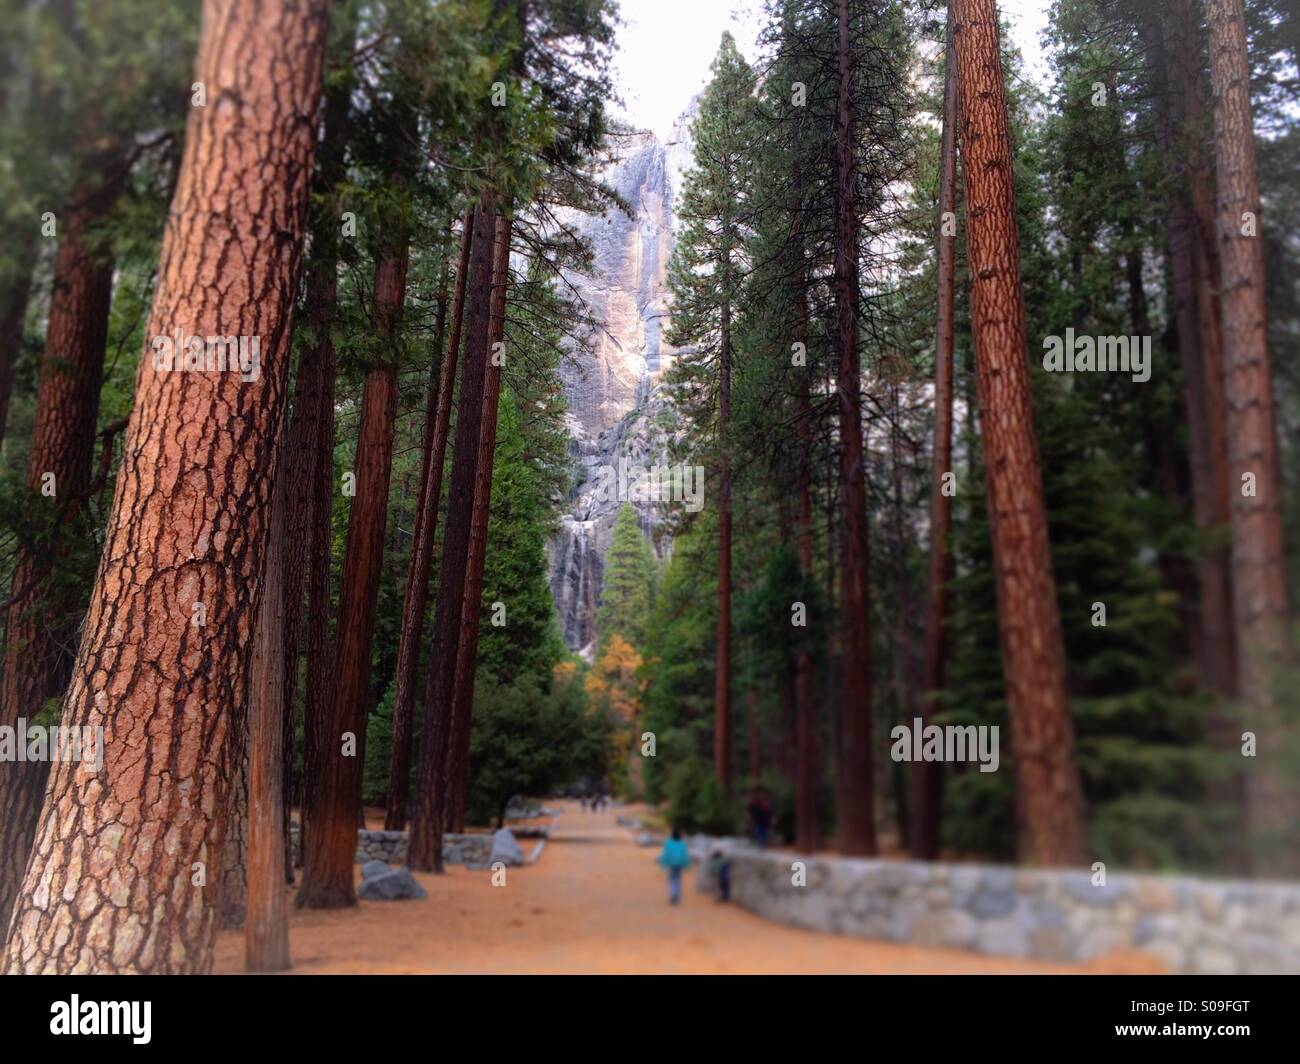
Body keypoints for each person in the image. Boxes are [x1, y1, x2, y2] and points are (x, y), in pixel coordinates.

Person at [658, 828, 692, 905]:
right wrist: (687, 865)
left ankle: (673, 895)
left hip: (671, 864)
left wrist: (663, 864)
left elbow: (666, 854)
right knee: (678, 880)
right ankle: (676, 896)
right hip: (679, 865)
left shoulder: (668, 843)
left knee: (672, 880)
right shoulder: (682, 843)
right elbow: (685, 855)